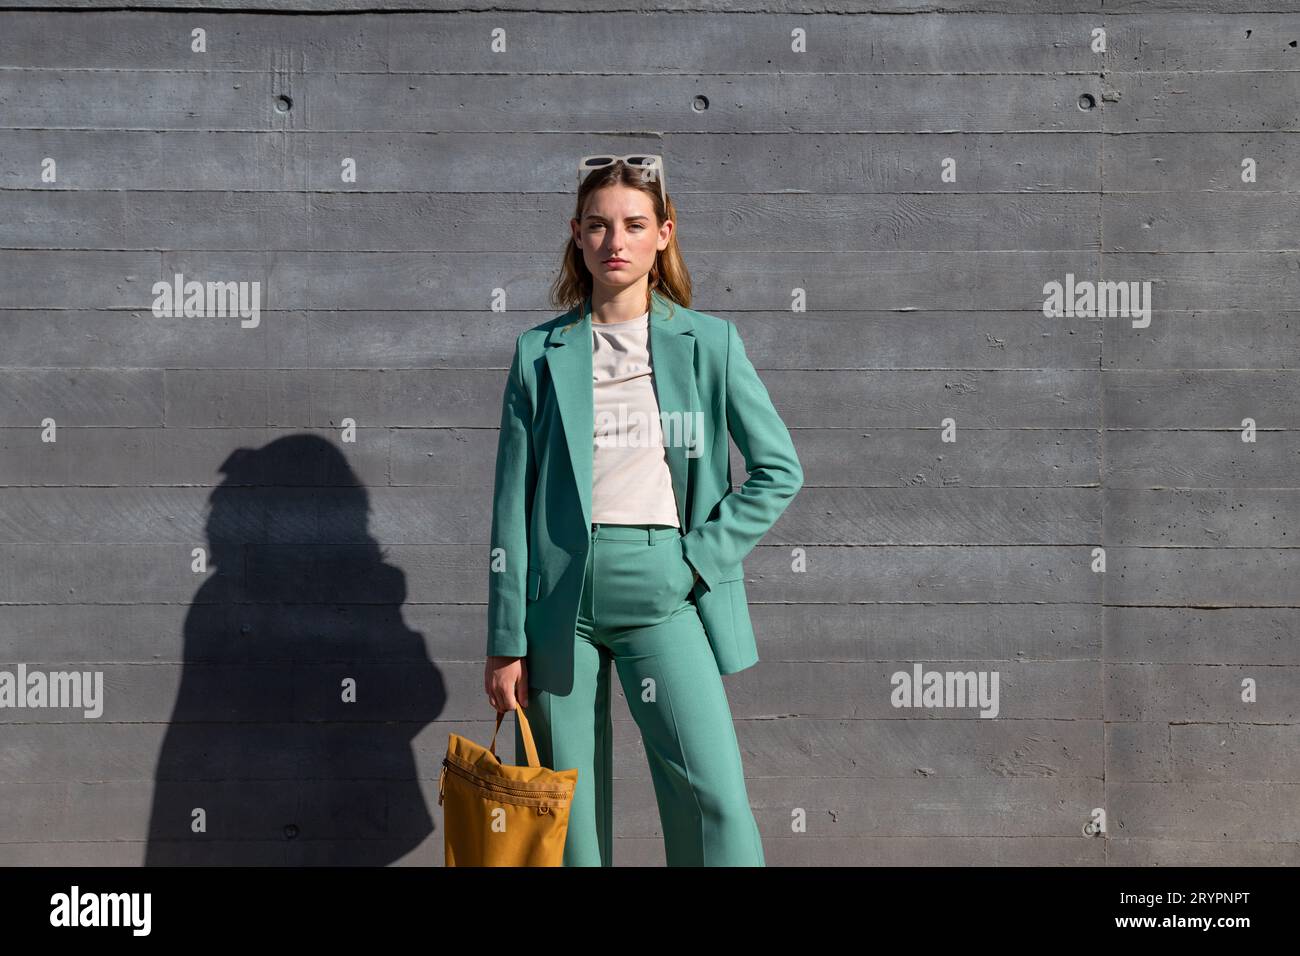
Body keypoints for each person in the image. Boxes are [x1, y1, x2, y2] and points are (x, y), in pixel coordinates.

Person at [482, 154, 803, 866]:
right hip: (556, 602)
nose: (614, 241)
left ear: (664, 232)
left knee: (711, 797)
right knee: (565, 812)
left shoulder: (709, 342)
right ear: (576, 234)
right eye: (597, 226)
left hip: (663, 585)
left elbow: (779, 469)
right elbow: (512, 503)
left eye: (633, 224)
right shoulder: (539, 352)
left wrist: (696, 561)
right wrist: (506, 639)